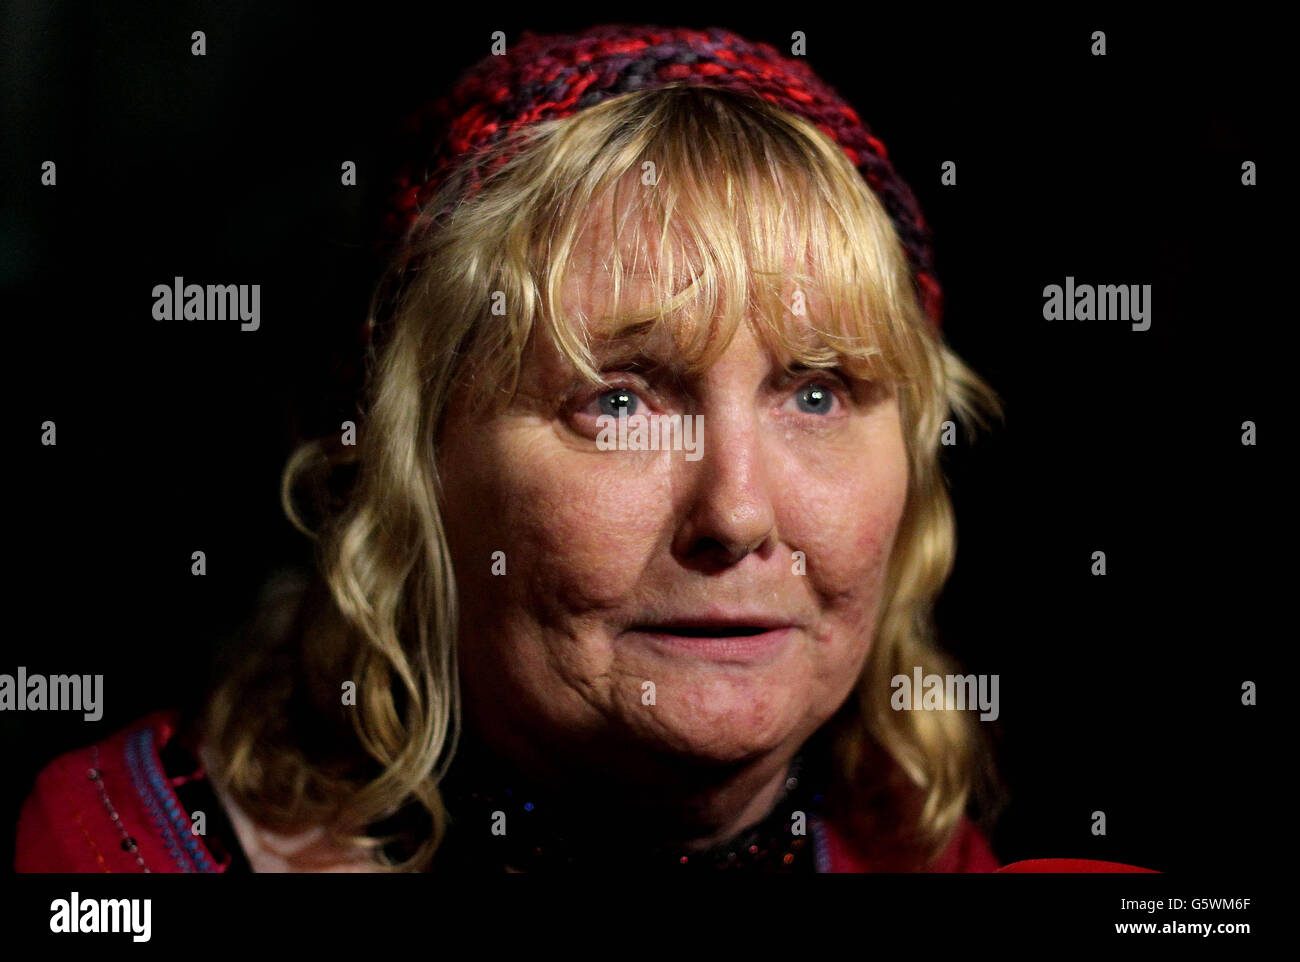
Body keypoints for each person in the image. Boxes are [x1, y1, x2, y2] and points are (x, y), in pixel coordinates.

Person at [15, 23, 1004, 874]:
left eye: (819, 392)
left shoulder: (931, 854)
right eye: (617, 401)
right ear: (411, 468)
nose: (736, 514)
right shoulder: (120, 851)